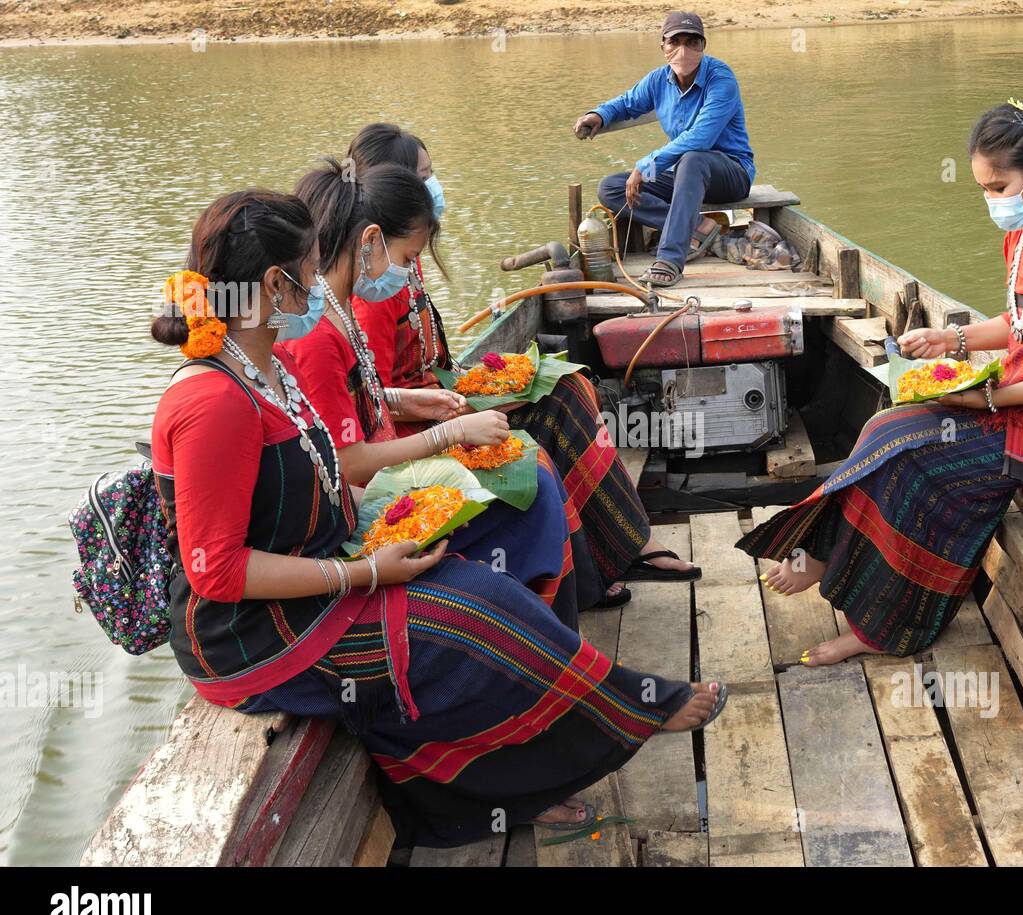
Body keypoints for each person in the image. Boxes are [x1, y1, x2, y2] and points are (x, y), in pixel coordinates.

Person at [149, 189, 725, 849]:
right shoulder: (211, 402)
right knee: (470, 616)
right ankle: (616, 714)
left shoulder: (264, 365)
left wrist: (387, 514)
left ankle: (570, 726)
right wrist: (362, 572)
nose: (319, 282)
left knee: (487, 575)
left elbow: (326, 459)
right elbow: (216, 573)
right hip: (254, 634)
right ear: (276, 283)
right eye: (310, 268)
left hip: (322, 564)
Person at [742, 100, 1023, 664]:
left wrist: (985, 397)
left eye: (998, 187)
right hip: (1016, 395)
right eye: (982, 188)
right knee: (881, 428)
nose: (990, 200)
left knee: (910, 460)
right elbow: (1021, 324)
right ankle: (825, 554)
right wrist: (954, 342)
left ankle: (879, 627)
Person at [345, 122, 702, 612]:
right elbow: (374, 398)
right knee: (553, 416)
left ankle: (627, 542)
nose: (434, 186)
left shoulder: (405, 259)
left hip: (441, 396)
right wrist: (446, 413)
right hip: (422, 421)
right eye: (424, 177)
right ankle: (604, 565)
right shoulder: (372, 286)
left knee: (570, 386)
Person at [282, 160, 585, 626]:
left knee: (528, 465)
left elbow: (351, 400)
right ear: (369, 242)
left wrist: (405, 400)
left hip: (385, 473)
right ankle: (538, 637)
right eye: (405, 259)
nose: (406, 272)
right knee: (535, 493)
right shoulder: (320, 332)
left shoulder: (337, 308)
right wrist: (450, 434)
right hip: (365, 502)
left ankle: (548, 632)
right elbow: (344, 460)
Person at [575, 11, 754, 288]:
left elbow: (700, 138)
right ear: (664, 47)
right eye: (675, 42)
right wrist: (598, 115)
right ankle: (698, 226)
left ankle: (670, 259)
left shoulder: (721, 79)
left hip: (730, 173)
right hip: (684, 174)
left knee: (693, 159)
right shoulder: (659, 80)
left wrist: (646, 164)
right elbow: (626, 103)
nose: (683, 50)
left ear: (702, 46)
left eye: (692, 42)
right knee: (612, 187)